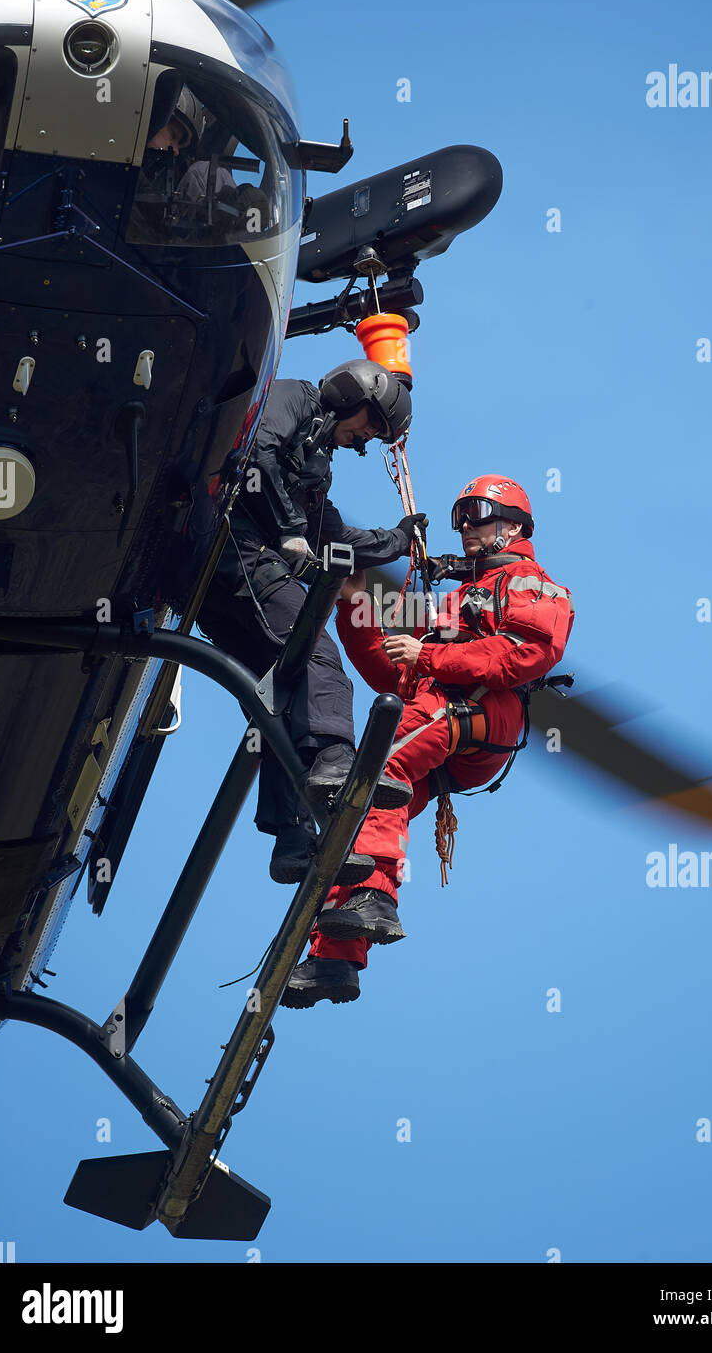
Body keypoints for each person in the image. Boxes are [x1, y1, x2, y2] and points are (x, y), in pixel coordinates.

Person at [280, 474, 575, 1008]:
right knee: (355, 811)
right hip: (439, 714)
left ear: (513, 524)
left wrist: (431, 657)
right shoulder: (452, 602)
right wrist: (350, 598)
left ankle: (377, 899)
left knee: (374, 767)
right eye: (460, 516)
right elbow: (389, 666)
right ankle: (335, 960)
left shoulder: (528, 583)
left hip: (479, 711)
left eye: (478, 514)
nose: (464, 527)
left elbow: (528, 652)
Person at [197, 363, 427, 886]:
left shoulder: (317, 462)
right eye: (374, 422)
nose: (369, 437)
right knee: (316, 652)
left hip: (227, 574)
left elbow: (329, 532)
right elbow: (255, 452)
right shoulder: (293, 398)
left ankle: (292, 835)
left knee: (280, 689)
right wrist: (289, 530)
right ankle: (336, 761)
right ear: (354, 393)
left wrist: (395, 540)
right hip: (236, 550)